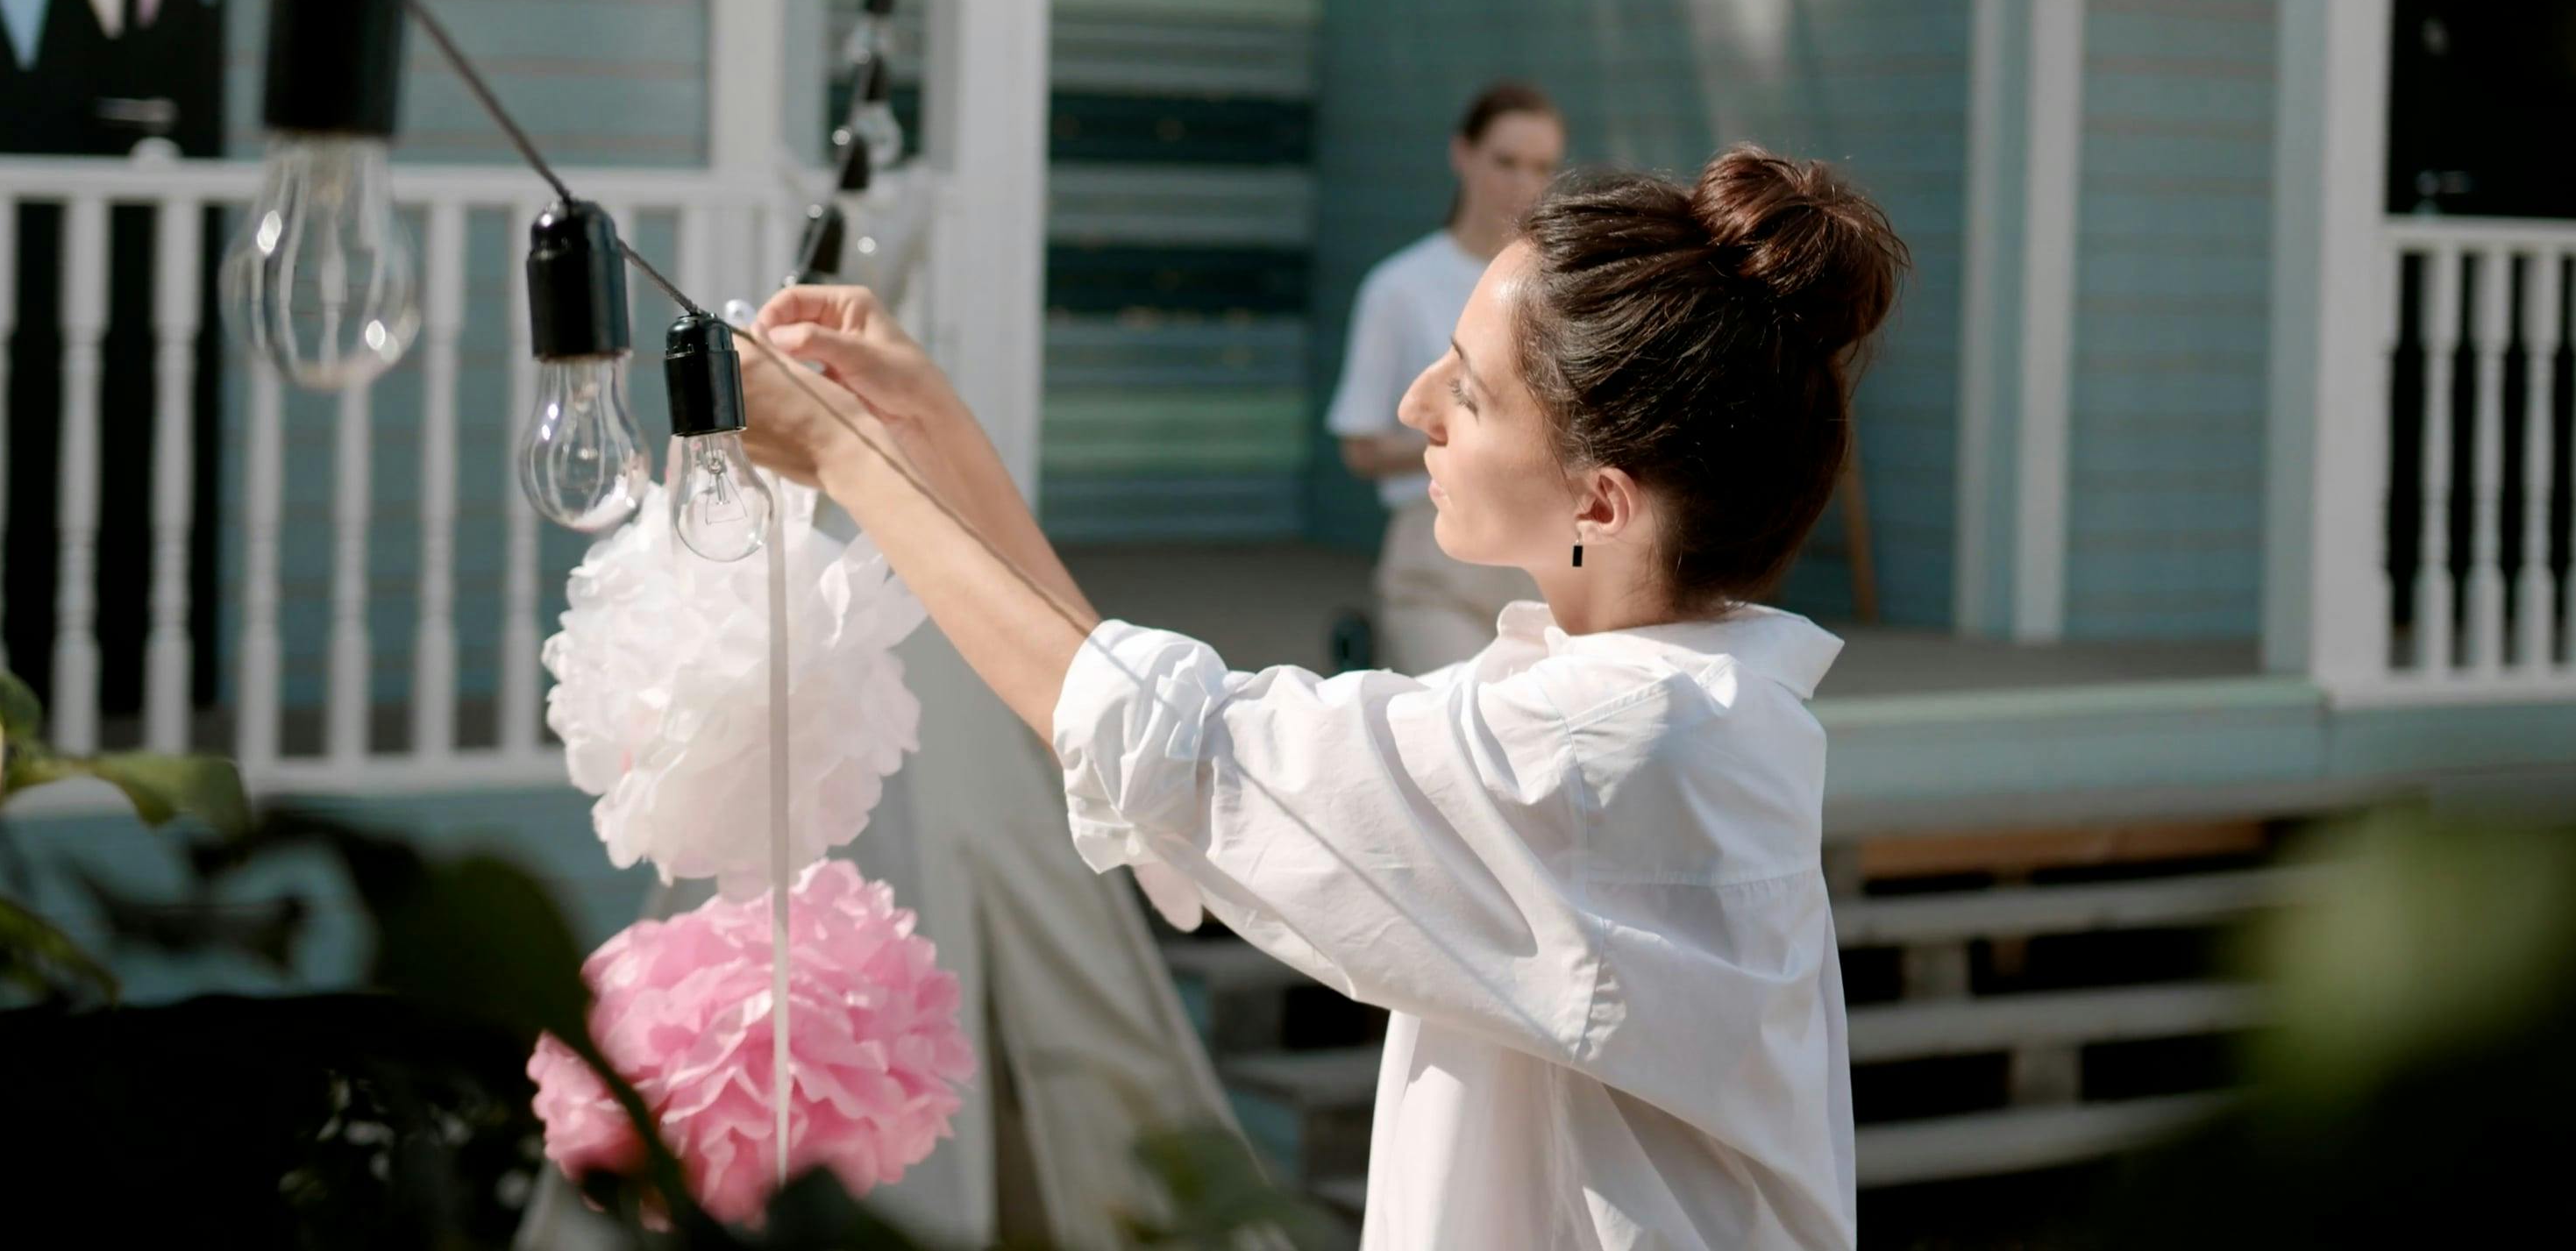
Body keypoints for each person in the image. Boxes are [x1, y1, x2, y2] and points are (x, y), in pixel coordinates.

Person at [736, 146, 1906, 1251]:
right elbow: (1136, 695)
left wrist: (851, 461)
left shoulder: (1608, 747)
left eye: (1471, 390)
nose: (1414, 405)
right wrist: (920, 421)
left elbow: (1161, 740)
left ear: (1601, 504)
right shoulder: (1649, 710)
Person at [1328, 81, 1569, 672]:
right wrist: (1475, 440)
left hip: (1550, 558)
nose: (1522, 183)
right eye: (1505, 161)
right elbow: (1360, 446)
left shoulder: (1565, 289)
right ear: (1463, 154)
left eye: (1541, 166)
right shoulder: (1398, 285)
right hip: (1436, 554)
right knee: (1458, 745)